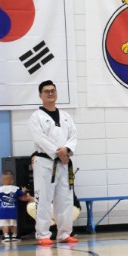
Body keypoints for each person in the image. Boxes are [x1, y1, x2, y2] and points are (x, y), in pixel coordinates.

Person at [28, 80, 79, 246]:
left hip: (64, 162)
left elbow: (73, 136)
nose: (50, 94)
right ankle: (42, 234)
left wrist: (67, 150)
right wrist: (59, 152)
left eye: (53, 91)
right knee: (43, 199)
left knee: (65, 199)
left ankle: (64, 234)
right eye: (46, 91)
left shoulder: (65, 116)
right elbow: (39, 138)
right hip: (45, 161)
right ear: (40, 95)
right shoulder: (37, 116)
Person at [0, 170, 30, 243]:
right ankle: (14, 236)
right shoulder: (15, 189)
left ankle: (6, 236)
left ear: (1, 180)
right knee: (13, 224)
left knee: (5, 225)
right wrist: (24, 190)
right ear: (12, 181)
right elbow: (21, 194)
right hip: (12, 212)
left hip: (2, 213)